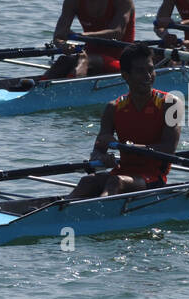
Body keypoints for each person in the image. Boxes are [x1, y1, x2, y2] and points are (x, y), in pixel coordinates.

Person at [71, 43, 183, 198]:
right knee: (87, 181)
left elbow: (169, 148)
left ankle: (101, 215)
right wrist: (101, 158)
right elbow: (98, 149)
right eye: (140, 71)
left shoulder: (170, 103)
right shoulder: (113, 108)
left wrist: (132, 147)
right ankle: (54, 214)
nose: (148, 76)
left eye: (150, 69)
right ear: (125, 75)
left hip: (153, 177)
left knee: (115, 182)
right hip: (122, 172)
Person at [38, 0, 136, 82]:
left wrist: (81, 36)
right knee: (64, 60)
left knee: (84, 59)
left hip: (123, 61)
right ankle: (36, 90)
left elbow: (117, 33)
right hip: (88, 56)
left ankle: (73, 93)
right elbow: (58, 36)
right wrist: (63, 45)